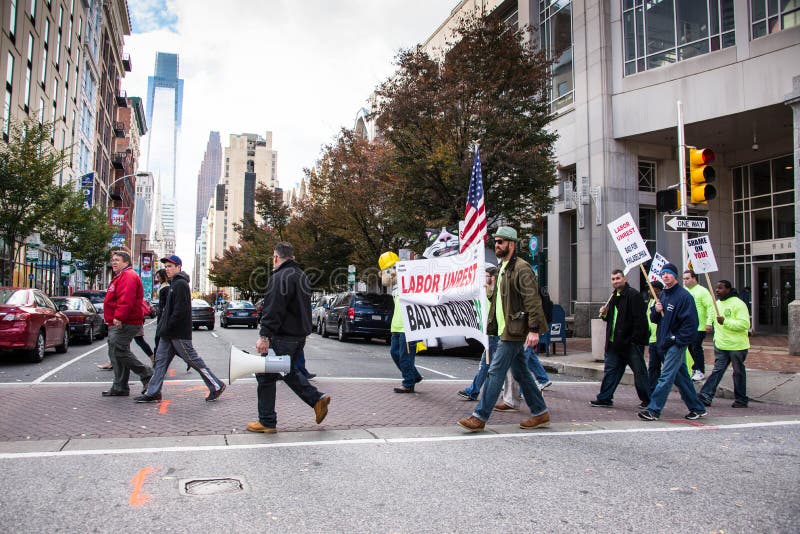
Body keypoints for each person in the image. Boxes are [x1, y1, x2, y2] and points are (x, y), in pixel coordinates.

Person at [457, 226, 551, 432]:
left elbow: (533, 301)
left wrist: (534, 330)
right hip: (504, 329)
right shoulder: (503, 268)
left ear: (512, 244)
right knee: (522, 374)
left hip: (514, 331)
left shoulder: (521, 268)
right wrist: (489, 292)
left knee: (495, 371)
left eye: (501, 242)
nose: (497, 245)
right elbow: (502, 300)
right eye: (496, 242)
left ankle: (479, 417)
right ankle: (540, 412)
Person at [248, 242, 330, 433]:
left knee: (266, 376)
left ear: (276, 258)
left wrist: (264, 336)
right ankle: (317, 400)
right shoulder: (301, 276)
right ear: (292, 257)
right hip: (298, 335)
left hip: (282, 336)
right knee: (288, 371)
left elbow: (273, 309)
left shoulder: (280, 277)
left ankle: (267, 422)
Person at [135, 255, 226, 403]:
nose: (167, 269)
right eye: (166, 267)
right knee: (160, 362)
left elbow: (179, 310)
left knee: (193, 360)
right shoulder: (174, 284)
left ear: (178, 267)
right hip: (168, 333)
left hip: (177, 333)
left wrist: (168, 326)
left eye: (170, 266)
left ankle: (216, 385)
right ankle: (153, 392)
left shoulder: (180, 284)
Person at [638, 263, 708, 421]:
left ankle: (653, 409)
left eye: (669, 273)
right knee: (681, 377)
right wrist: (655, 311)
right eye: (663, 274)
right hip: (664, 343)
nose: (665, 276)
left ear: (675, 276)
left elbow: (691, 325)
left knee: (666, 376)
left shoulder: (684, 297)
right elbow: (654, 319)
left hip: (675, 344)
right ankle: (697, 408)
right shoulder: (662, 295)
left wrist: (676, 339)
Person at [590, 269, 651, 408]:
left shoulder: (633, 295)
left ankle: (647, 399)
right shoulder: (613, 296)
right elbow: (611, 319)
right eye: (613, 279)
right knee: (611, 371)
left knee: (639, 372)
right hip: (614, 343)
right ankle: (605, 398)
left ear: (624, 279)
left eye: (618, 278)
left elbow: (640, 320)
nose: (615, 281)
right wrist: (605, 314)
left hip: (630, 343)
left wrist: (635, 340)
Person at [101, 251, 153, 397]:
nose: (114, 262)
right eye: (112, 260)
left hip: (124, 322)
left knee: (118, 350)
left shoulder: (128, 276)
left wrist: (119, 317)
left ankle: (146, 373)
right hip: (118, 322)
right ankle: (120, 387)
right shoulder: (121, 276)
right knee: (115, 352)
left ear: (126, 262)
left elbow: (126, 298)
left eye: (117, 260)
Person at [699, 281, 751, 408]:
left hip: (737, 346)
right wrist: (710, 324)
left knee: (738, 372)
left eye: (720, 288)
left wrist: (725, 322)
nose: (717, 290)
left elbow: (745, 324)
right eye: (716, 288)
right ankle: (705, 395)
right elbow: (712, 316)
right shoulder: (717, 304)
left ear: (728, 289)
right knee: (717, 370)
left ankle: (741, 399)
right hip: (721, 345)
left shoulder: (738, 304)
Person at [380, 250, 423, 393]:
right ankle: (414, 375)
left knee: (406, 355)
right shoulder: (395, 287)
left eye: (393, 268)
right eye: (387, 270)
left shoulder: (409, 282)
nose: (391, 272)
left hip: (408, 326)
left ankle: (408, 383)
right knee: (394, 353)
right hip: (397, 326)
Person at [458, 263, 499, 401]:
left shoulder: (495, 294)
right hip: (490, 333)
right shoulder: (485, 292)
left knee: (486, 364)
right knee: (509, 366)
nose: (484, 279)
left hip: (494, 334)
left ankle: (473, 391)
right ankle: (522, 391)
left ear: (493, 278)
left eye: (486, 276)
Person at [683, 270, 715, 382]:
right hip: (687, 326)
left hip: (699, 326)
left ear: (694, 278)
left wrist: (709, 322)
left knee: (696, 348)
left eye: (687, 278)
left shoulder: (703, 291)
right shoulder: (685, 291)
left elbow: (710, 307)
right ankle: (695, 368)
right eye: (684, 279)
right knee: (690, 348)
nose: (685, 281)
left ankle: (700, 370)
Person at [646, 280, 664, 393]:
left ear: (658, 290)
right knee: (653, 367)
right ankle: (652, 391)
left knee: (669, 368)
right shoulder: (651, 302)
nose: (649, 291)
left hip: (661, 340)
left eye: (651, 289)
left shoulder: (662, 301)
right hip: (652, 339)